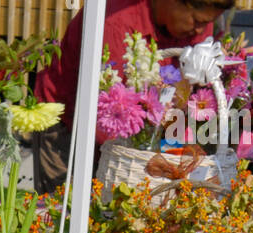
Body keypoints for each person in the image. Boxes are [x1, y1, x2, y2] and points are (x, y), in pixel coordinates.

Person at [32, 0, 234, 193]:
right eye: (197, 21)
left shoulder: (195, 21)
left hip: (140, 134)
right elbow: (109, 116)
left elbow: (185, 86)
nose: (200, 30)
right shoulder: (113, 22)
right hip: (70, 124)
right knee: (63, 212)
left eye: (207, 23)